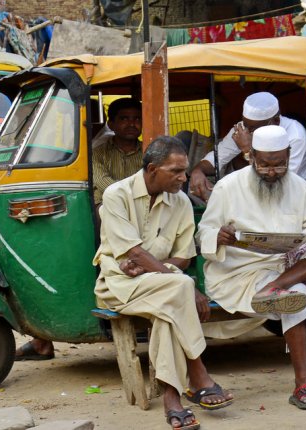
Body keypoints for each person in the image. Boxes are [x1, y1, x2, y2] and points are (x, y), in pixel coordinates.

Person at [196, 125, 306, 410]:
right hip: (239, 273)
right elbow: (203, 232)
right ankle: (304, 382)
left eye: (279, 164)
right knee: (298, 291)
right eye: (264, 164)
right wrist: (218, 236)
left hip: (283, 266)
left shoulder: (298, 185)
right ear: (251, 156)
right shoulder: (229, 186)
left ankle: (277, 287)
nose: (272, 171)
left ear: (288, 156)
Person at [95, 136, 232, 430]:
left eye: (185, 171)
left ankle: (173, 398)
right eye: (176, 171)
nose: (184, 178)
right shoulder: (116, 195)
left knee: (168, 313)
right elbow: (134, 253)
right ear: (153, 169)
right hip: (121, 285)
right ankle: (198, 374)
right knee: (181, 290)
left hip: (163, 288)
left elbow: (183, 257)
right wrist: (183, 283)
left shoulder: (180, 201)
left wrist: (169, 274)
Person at [14, 97, 143, 361]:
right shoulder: (98, 153)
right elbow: (108, 188)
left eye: (137, 118)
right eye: (124, 118)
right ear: (112, 123)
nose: (132, 124)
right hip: (108, 214)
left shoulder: (148, 153)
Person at [189, 92, 306, 202]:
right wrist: (197, 171)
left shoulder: (295, 136)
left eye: (253, 128)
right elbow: (218, 156)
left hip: (292, 192)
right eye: (245, 124)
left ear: (275, 121)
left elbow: (276, 182)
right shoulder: (245, 128)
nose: (247, 131)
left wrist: (248, 151)